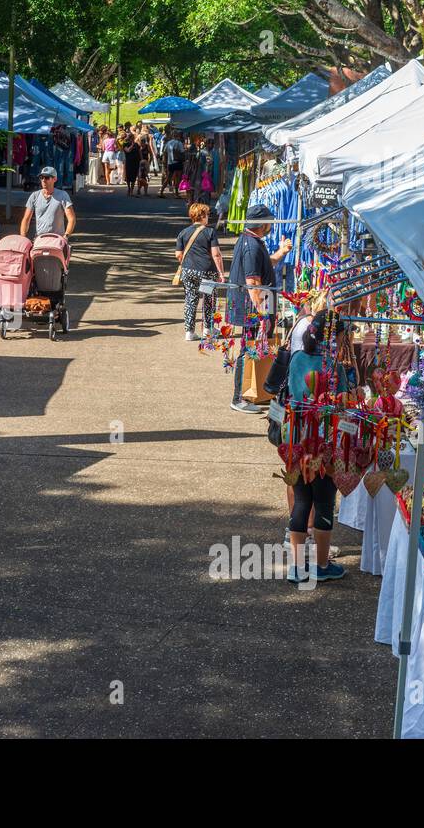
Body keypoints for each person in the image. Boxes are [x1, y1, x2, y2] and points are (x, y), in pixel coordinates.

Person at [285, 309, 349, 582]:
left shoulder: (297, 358)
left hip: (296, 441)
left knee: (301, 501)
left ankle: (297, 567)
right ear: (333, 337)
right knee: (323, 503)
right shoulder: (335, 368)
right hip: (324, 443)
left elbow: (291, 391)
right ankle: (321, 566)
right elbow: (345, 405)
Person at [227, 204, 293, 414]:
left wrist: (282, 252)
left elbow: (265, 267)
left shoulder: (253, 242)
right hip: (252, 308)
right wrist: (262, 313)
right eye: (269, 222)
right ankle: (239, 397)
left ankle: (253, 393)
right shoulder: (251, 246)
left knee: (254, 349)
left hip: (256, 305)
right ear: (262, 223)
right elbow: (253, 283)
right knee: (247, 350)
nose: (270, 225)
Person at [176, 203, 225, 340]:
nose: (208, 217)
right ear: (202, 216)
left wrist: (188, 264)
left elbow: (178, 254)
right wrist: (221, 273)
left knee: (191, 300)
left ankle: (189, 332)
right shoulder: (210, 232)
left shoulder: (183, 232)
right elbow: (216, 254)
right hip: (207, 272)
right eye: (207, 214)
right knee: (209, 300)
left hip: (188, 272)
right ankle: (208, 330)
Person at [20, 166, 75, 238]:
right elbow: (26, 219)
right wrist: (23, 236)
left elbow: (71, 218)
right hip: (40, 239)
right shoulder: (34, 196)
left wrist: (66, 235)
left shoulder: (62, 195)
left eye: (47, 177)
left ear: (55, 179)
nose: (43, 180)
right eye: (41, 177)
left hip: (57, 240)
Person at [162, 129, 185, 198]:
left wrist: (165, 162)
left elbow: (164, 152)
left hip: (170, 163)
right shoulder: (179, 143)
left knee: (168, 178)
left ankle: (161, 192)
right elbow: (182, 152)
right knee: (177, 178)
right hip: (178, 162)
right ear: (177, 135)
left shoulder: (168, 143)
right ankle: (176, 193)